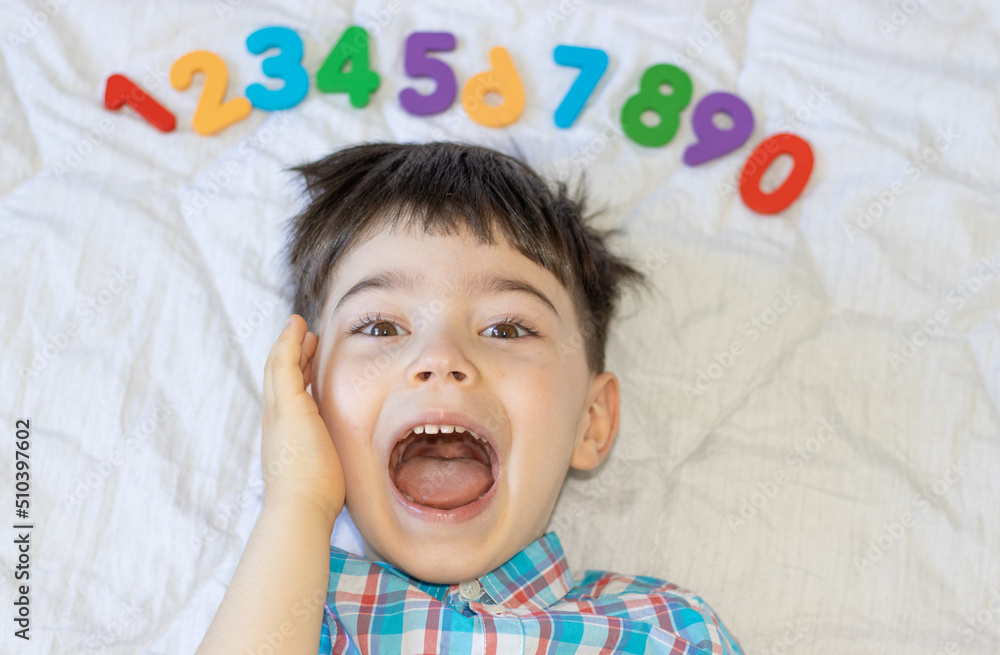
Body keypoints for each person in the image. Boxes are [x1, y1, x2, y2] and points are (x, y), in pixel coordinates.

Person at [195, 142, 743, 654]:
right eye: (381, 327)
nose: (440, 357)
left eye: (506, 329)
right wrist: (298, 500)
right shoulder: (283, 608)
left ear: (591, 421)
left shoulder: (665, 630)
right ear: (311, 404)